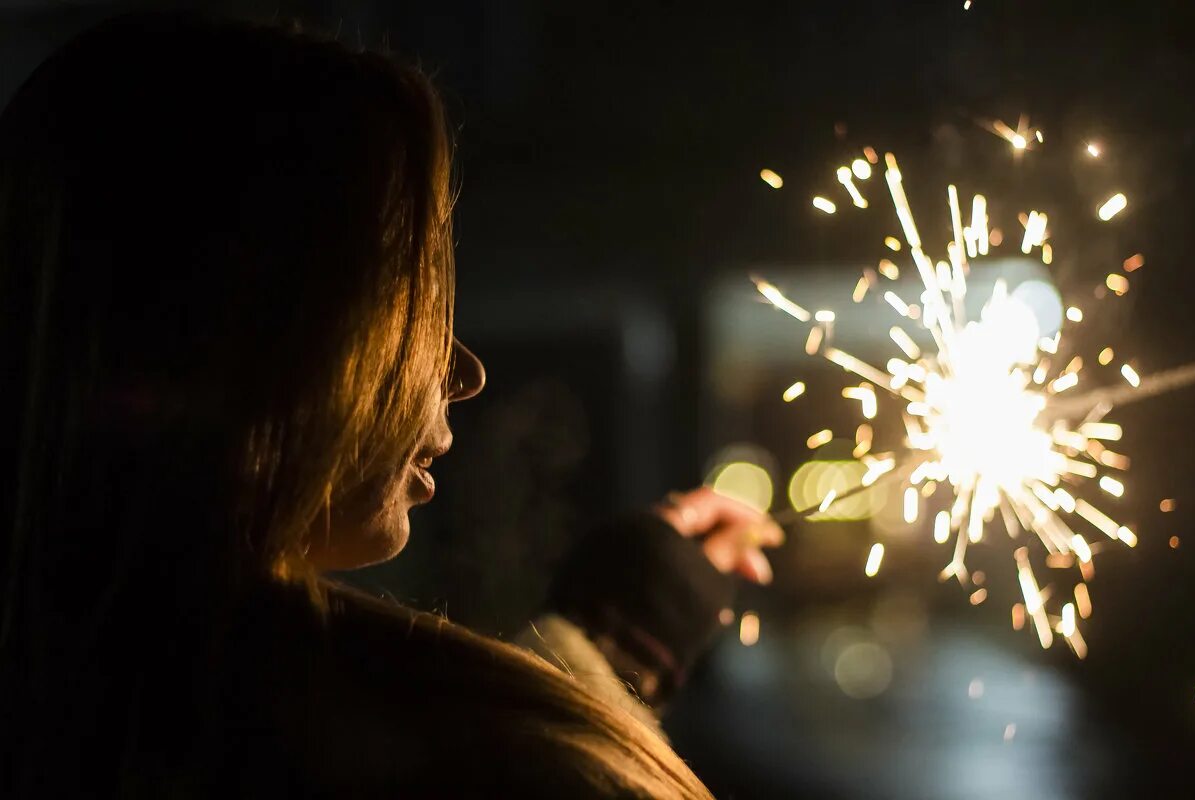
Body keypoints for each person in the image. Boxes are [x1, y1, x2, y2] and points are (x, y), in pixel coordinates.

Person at [0, 12, 780, 797]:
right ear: (257, 331)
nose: (464, 372)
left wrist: (610, 642)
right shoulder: (373, 754)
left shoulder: (96, 692)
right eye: (408, 305)